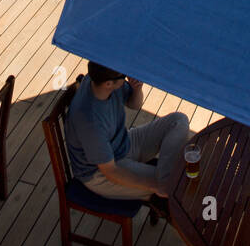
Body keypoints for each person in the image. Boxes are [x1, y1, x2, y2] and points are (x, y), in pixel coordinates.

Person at [66, 62, 190, 202]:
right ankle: (169, 186)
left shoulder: (101, 79)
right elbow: (110, 171)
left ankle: (168, 179)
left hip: (122, 142)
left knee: (178, 121)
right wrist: (155, 186)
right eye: (123, 75)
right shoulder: (90, 122)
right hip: (101, 172)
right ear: (108, 84)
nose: (126, 75)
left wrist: (136, 88)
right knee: (176, 188)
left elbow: (134, 104)